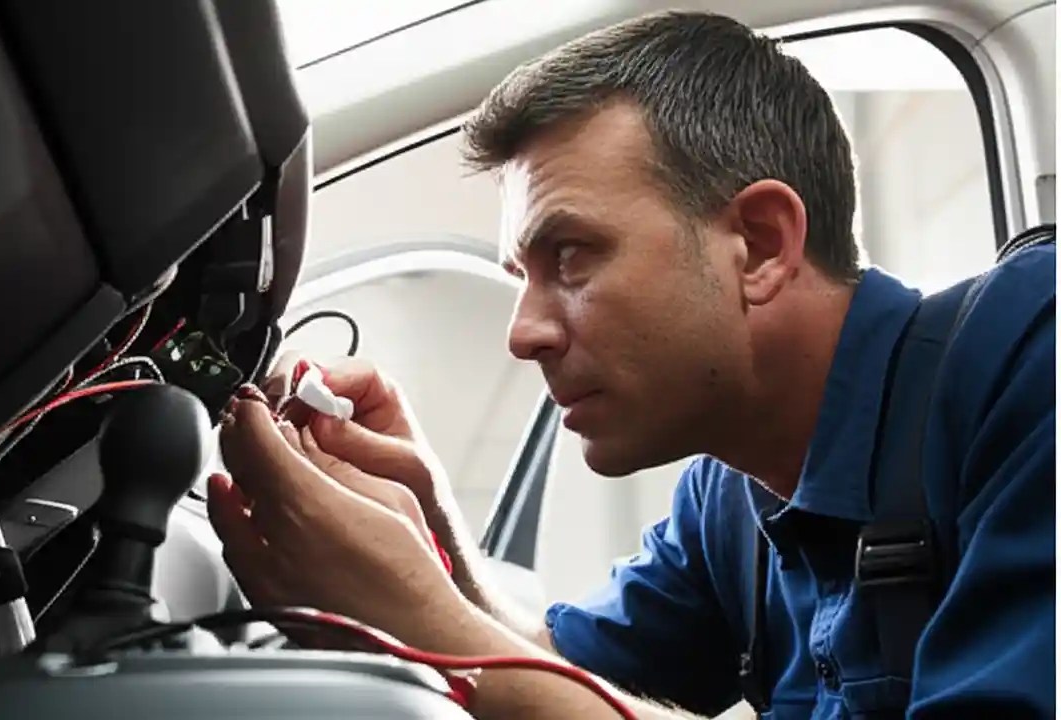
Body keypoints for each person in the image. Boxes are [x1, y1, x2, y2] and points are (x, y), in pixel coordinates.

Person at [206, 11, 1055, 720]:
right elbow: (558, 679)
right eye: (522, 276)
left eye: (570, 256)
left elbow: (526, 686)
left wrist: (421, 615)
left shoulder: (1034, 348)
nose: (524, 333)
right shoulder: (730, 500)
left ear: (759, 246)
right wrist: (432, 537)